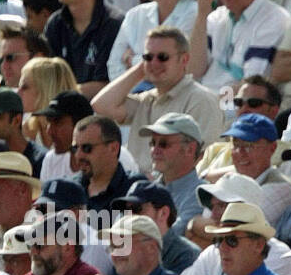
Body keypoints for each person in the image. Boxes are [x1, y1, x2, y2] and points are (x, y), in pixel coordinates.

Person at [93, 24, 223, 171]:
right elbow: (101, 106)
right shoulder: (147, 99)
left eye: (162, 57)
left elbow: (203, 161)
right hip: (137, 186)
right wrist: (142, 70)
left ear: (184, 59)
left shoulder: (201, 100)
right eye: (148, 57)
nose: (154, 63)